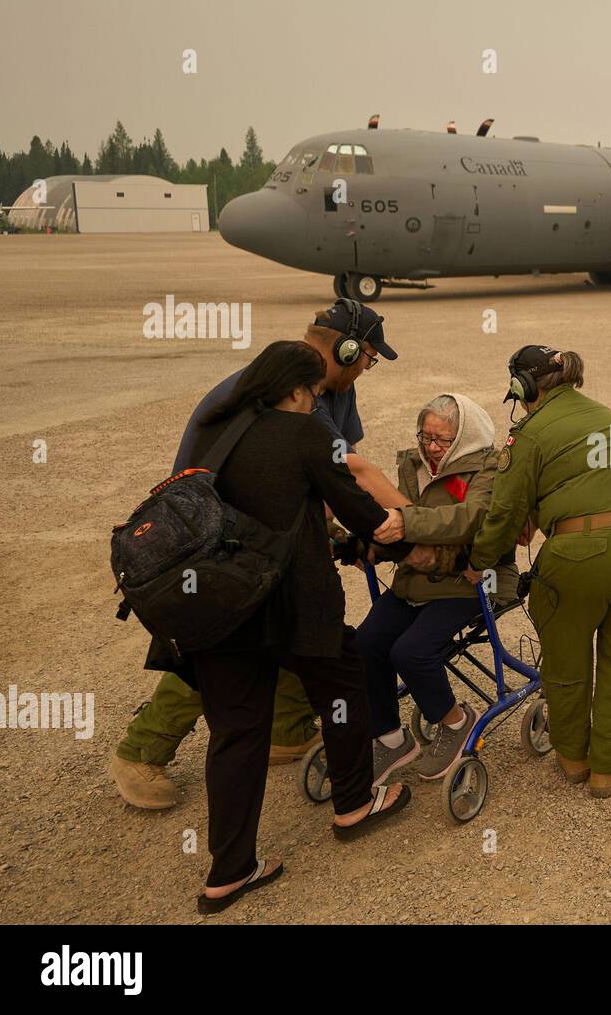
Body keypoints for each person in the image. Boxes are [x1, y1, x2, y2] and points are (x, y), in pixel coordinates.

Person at [109, 300, 405, 809]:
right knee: (230, 645)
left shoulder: (335, 388)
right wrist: (416, 524)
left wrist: (333, 532)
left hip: (276, 535)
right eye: (368, 358)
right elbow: (352, 470)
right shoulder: (270, 386)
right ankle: (142, 752)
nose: (366, 370)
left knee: (300, 628)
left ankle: (288, 729)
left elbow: (324, 474)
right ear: (347, 349)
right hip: (219, 542)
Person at [152, 340, 411, 914]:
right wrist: (393, 526)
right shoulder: (303, 433)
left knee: (237, 734)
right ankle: (353, 805)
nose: (315, 401)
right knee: (343, 684)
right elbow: (358, 510)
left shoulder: (215, 430)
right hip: (290, 605)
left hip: (218, 608)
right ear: (296, 389)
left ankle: (228, 872)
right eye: (314, 392)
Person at [463, 346, 611, 799]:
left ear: (522, 388)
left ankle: (573, 760)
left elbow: (504, 513)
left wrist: (478, 563)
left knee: (567, 659)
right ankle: (610, 770)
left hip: (581, 556)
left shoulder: (529, 435)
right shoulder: (606, 415)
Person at [356, 394, 519, 785]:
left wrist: (403, 523)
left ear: (464, 436)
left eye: (442, 440)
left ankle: (457, 721)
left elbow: (468, 519)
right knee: (363, 645)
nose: (430, 447)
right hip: (416, 579)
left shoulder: (490, 467)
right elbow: (395, 524)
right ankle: (392, 740)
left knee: (411, 651)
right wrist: (370, 543)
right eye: (425, 436)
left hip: (469, 581)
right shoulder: (412, 465)